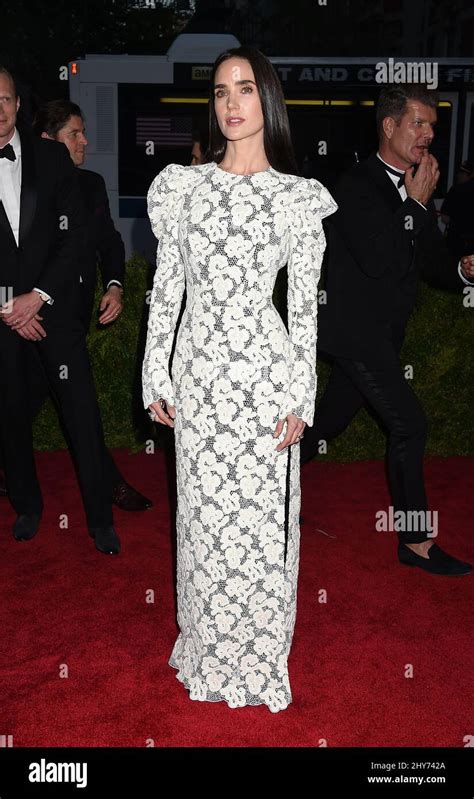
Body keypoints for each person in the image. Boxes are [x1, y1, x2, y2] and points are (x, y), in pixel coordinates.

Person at [142, 46, 336, 712]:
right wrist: (154, 371)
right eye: (221, 91)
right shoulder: (183, 188)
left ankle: (256, 659)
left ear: (267, 101)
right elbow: (167, 288)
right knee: (201, 523)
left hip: (262, 378)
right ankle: (204, 646)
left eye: (245, 89)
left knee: (256, 529)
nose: (231, 103)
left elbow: (303, 308)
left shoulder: (296, 197)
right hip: (197, 380)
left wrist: (300, 397)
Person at [301, 84, 474, 576]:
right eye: (418, 123)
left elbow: (429, 263)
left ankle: (262, 488)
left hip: (380, 338)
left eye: (433, 125)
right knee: (409, 424)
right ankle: (415, 542)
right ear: (390, 126)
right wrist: (417, 206)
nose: (428, 134)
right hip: (354, 335)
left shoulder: (416, 186)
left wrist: (462, 270)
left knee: (326, 424)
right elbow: (379, 262)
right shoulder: (354, 186)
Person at [0, 66, 120, 554]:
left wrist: (39, 298)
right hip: (5, 318)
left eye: (5, 99)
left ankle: (99, 520)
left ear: (18, 105)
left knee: (82, 417)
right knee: (9, 416)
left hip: (55, 312)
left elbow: (75, 237)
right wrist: (10, 306)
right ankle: (28, 506)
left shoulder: (52, 159)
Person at [22, 99, 150, 512]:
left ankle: (105, 486)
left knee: (65, 406)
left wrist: (114, 285)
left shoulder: (92, 184)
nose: (85, 141)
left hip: (68, 318)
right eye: (74, 134)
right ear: (47, 141)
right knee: (52, 407)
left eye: (83, 132)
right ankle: (109, 486)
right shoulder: (19, 183)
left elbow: (108, 241)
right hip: (25, 319)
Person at [441, 160, 474, 260]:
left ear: (470, 175)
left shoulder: (455, 189)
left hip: (457, 240)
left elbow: (445, 218)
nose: (458, 176)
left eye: (461, 173)